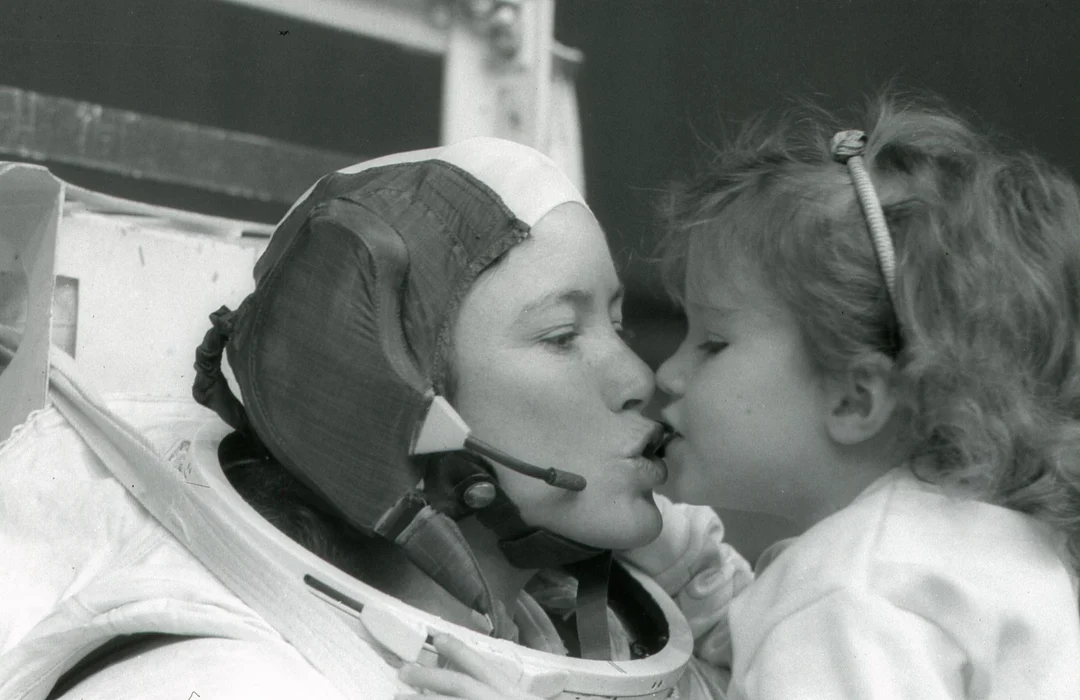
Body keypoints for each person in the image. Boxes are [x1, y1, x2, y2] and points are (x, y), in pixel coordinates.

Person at [0, 137, 748, 700]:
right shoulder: (223, 681)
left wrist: (688, 560)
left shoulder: (586, 635)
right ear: (391, 408)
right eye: (561, 336)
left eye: (616, 324)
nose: (638, 378)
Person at [653, 95, 1080, 697]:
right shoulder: (1006, 547)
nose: (667, 374)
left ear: (854, 400)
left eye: (713, 344)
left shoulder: (848, 591)